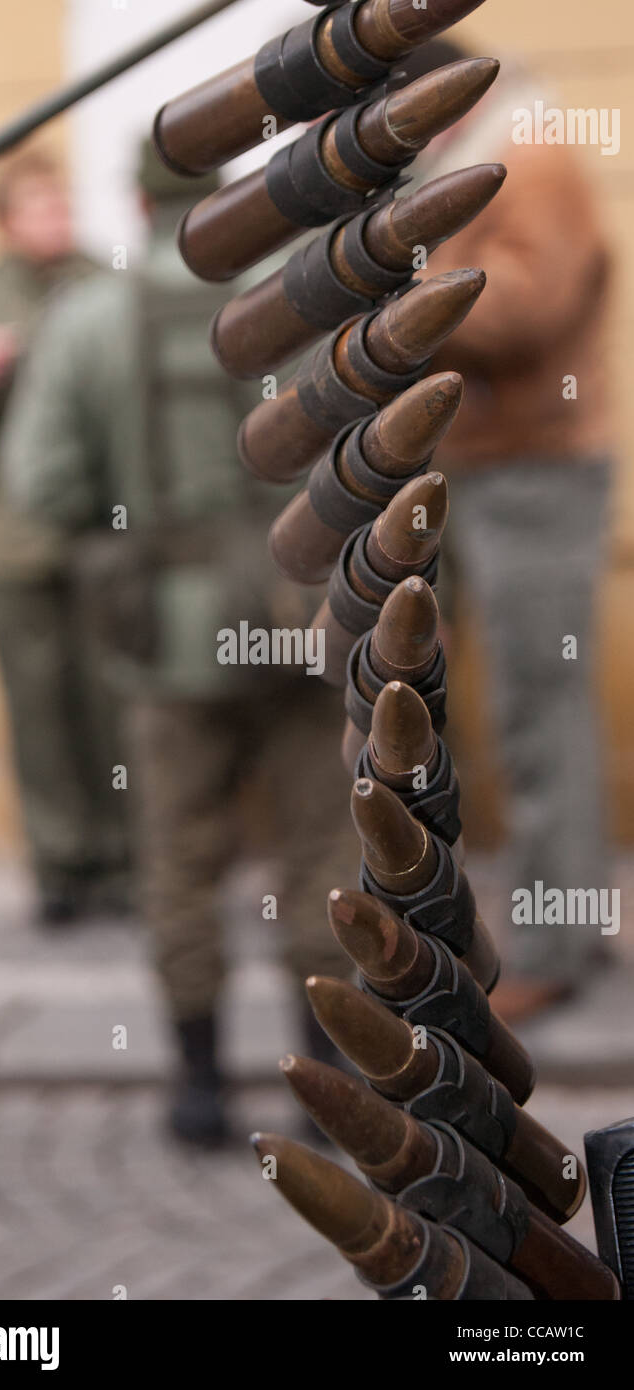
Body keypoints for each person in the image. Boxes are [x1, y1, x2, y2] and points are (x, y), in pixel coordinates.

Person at [0, 142, 356, 1145]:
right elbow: (369, 449)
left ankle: (199, 1088)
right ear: (238, 195)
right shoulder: (307, 298)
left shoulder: (84, 320)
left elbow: (43, 483)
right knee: (322, 854)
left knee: (178, 858)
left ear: (139, 199)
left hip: (166, 637)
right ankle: (324, 1086)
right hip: (302, 620)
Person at [397, 42, 614, 1021]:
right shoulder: (479, 158)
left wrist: (405, 284)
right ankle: (567, 920)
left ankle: (555, 944)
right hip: (491, 462)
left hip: (537, 466)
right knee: (526, 707)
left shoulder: (531, 154)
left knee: (538, 710)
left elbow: (528, 306)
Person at [0, 149, 131, 924]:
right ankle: (61, 867)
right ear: (5, 222)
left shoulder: (102, 283)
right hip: (17, 544)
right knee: (38, 713)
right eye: (38, 207)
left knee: (112, 706)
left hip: (99, 535)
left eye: (62, 203)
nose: (56, 218)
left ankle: (123, 863)